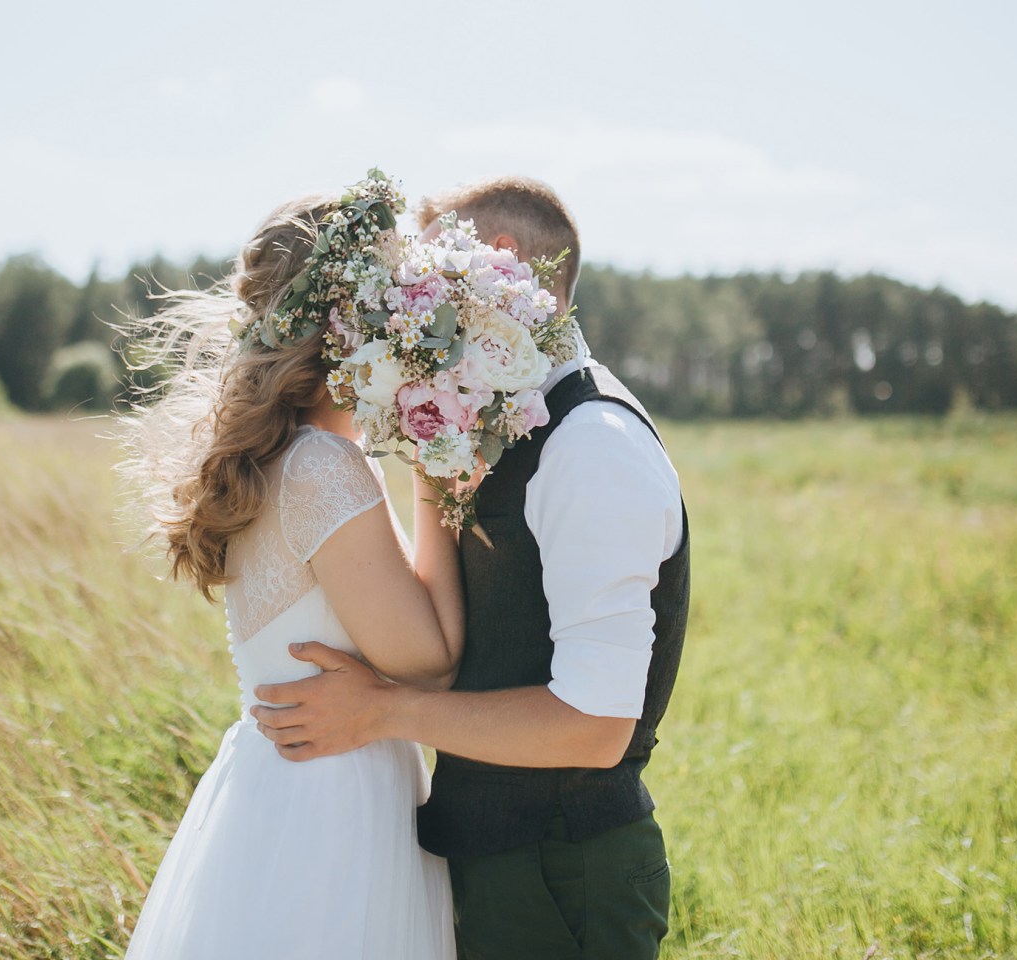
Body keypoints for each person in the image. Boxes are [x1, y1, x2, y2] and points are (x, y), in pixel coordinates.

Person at [251, 176, 691, 960]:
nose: (407, 307)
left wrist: (383, 713)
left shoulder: (591, 445)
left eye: (428, 272)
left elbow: (596, 727)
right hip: (507, 870)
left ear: (501, 261)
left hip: (564, 879)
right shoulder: (507, 429)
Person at [113, 193, 460, 959]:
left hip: (281, 789)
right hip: (334, 814)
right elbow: (429, 662)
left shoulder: (285, 459)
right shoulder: (321, 465)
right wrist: (438, 465)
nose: (417, 328)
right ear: (351, 322)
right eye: (403, 305)